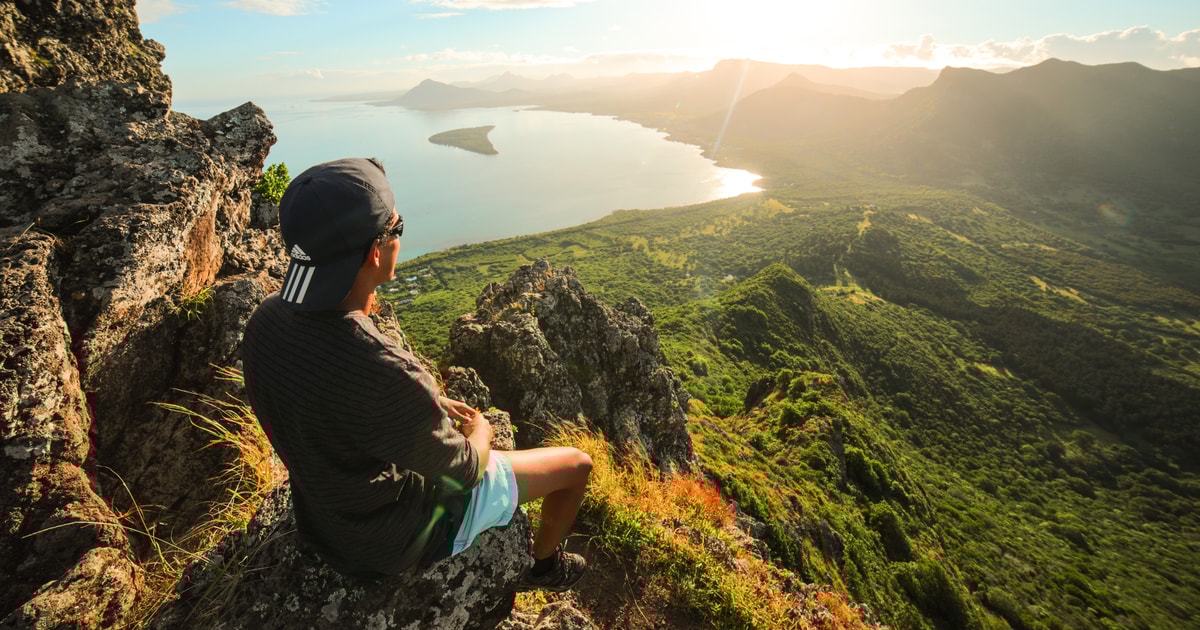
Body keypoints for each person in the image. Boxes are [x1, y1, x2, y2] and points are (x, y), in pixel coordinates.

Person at [241, 157, 592, 591]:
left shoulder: (264, 322)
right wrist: (481, 430)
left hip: (322, 522)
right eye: (397, 227)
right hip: (390, 542)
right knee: (578, 464)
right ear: (375, 250)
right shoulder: (383, 370)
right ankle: (545, 566)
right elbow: (464, 472)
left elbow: (327, 404)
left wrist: (417, 407)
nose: (399, 238)